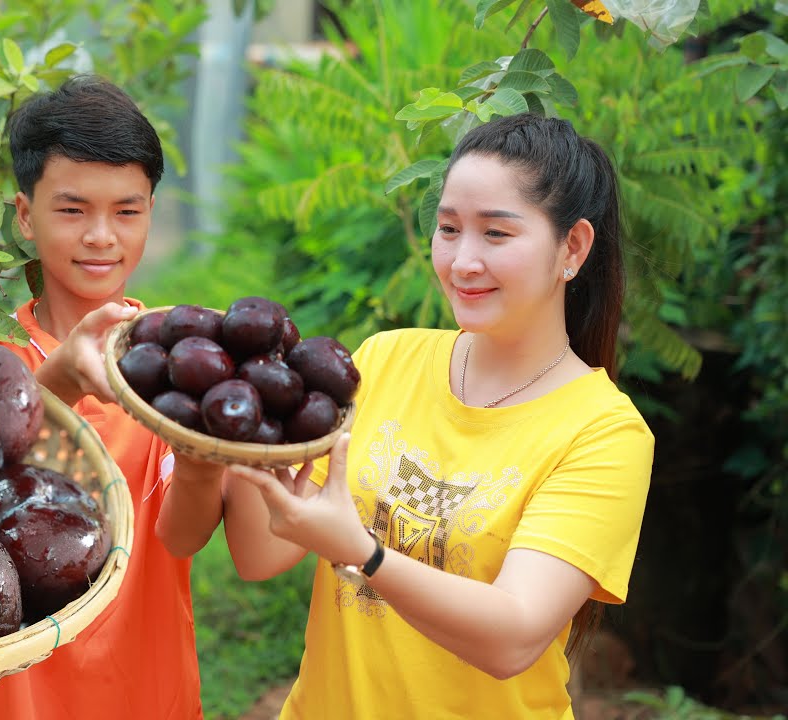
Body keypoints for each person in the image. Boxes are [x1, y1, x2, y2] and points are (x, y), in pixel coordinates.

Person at [211, 113, 655, 719]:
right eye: (448, 229)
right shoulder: (385, 358)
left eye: (496, 234)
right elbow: (259, 554)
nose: (463, 261)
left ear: (571, 248)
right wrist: (230, 430)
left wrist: (361, 552)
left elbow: (514, 635)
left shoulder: (605, 432)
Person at [0, 75, 222, 720]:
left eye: (127, 211)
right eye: (72, 210)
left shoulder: (173, 362)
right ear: (25, 214)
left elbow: (183, 539)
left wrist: (202, 453)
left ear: (150, 213)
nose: (102, 236)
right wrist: (65, 382)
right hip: (18, 702)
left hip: (150, 695)